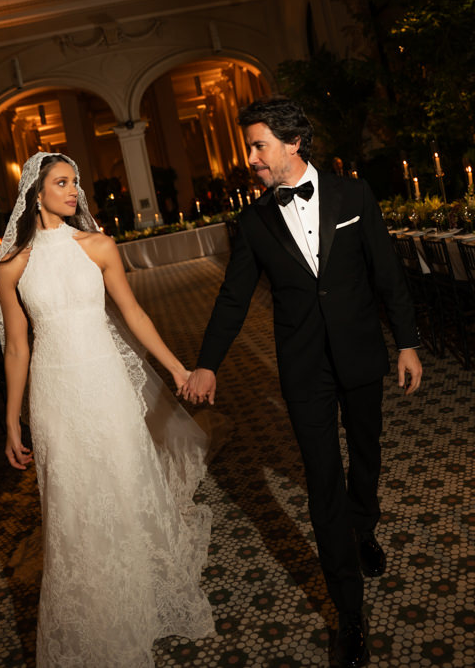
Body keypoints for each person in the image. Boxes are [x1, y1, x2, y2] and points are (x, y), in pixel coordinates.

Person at [181, 97, 422, 668]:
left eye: (258, 145)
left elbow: (386, 273)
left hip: (361, 352)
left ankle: (365, 525)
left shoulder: (352, 195)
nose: (252, 159)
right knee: (322, 481)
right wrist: (208, 362)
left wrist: (407, 342)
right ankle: (350, 614)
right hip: (302, 366)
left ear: (292, 143)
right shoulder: (254, 220)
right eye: (251, 148)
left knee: (367, 453)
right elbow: (234, 297)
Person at [0, 151, 214, 667]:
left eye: (76, 182)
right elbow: (17, 347)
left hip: (105, 381)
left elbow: (133, 313)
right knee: (71, 498)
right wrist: (11, 417)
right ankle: (94, 610)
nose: (75, 191)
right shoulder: (12, 266)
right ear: (36, 193)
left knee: (122, 479)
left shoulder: (98, 246)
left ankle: (143, 592)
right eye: (62, 183)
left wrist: (177, 369)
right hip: (53, 393)